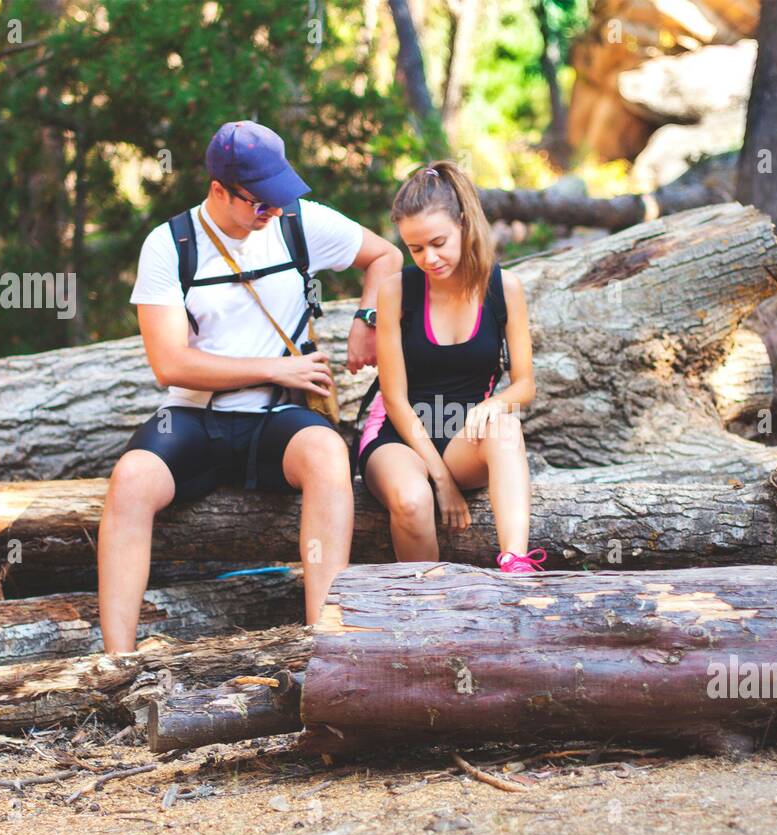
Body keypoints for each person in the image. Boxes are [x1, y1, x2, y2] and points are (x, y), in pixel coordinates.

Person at [99, 120, 401, 652]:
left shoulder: (296, 224)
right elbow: (169, 365)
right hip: (193, 417)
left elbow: (387, 256)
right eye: (259, 203)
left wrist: (367, 318)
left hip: (277, 416)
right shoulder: (171, 245)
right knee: (130, 479)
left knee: (330, 455)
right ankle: (117, 662)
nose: (274, 211)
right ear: (219, 190)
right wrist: (273, 367)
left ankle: (324, 644)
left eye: (279, 197)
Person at [356, 161, 544, 572]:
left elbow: (525, 384)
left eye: (438, 242)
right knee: (412, 498)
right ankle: (428, 606)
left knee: (507, 424)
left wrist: (493, 405)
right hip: (399, 435)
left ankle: (515, 564)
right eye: (415, 248)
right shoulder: (396, 292)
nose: (429, 258)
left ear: (463, 222)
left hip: (465, 433)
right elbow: (395, 400)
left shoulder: (503, 288)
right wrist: (440, 481)